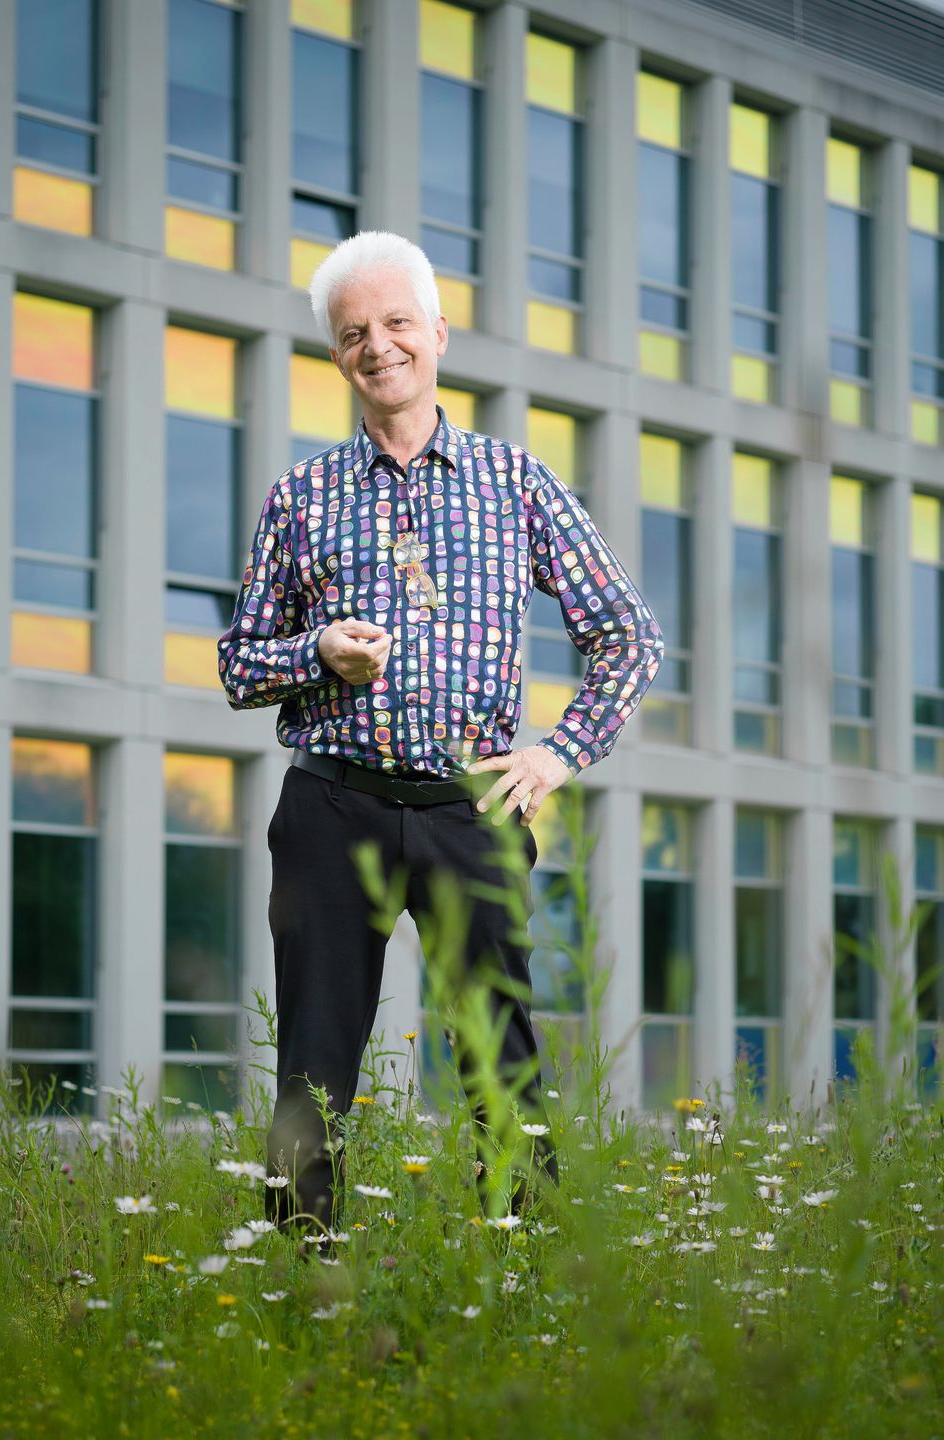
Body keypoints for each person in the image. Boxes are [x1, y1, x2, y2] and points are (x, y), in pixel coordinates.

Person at [216, 230, 663, 1231]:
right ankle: (305, 1283)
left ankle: (520, 1281)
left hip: (472, 810)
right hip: (333, 808)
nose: (378, 347)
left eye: (396, 324)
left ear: (439, 334)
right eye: (353, 333)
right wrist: (317, 651)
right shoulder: (300, 498)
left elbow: (630, 636)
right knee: (313, 1072)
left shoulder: (517, 483)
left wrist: (556, 756)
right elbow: (240, 664)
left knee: (501, 1066)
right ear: (339, 355)